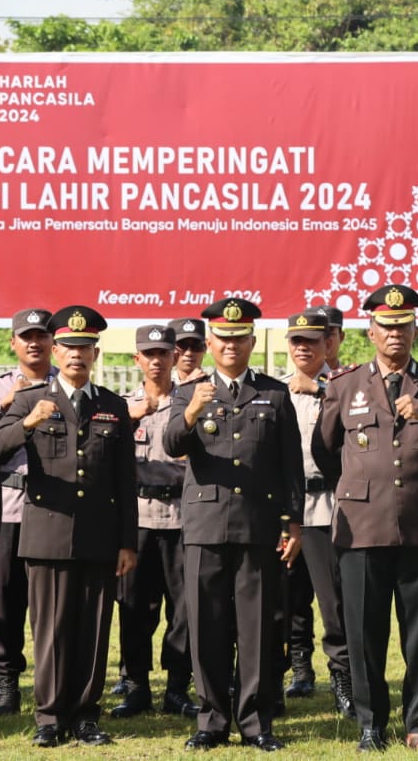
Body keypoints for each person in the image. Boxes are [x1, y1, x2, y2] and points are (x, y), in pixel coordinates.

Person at [315, 284, 418, 751]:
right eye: (386, 326)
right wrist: (359, 487)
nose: (395, 335)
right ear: (371, 331)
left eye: (403, 326)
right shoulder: (345, 385)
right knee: (364, 633)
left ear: (414, 330)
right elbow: (325, 451)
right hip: (362, 526)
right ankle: (370, 722)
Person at [0, 305, 138, 748]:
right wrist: (25, 425)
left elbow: (125, 481)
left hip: (98, 534)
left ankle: (86, 714)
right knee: (50, 631)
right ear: (56, 348)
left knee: (92, 628)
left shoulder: (111, 405)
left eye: (84, 346)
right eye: (67, 346)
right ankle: (49, 717)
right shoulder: (31, 399)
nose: (75, 354)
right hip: (47, 531)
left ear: (95, 351)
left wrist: (127, 542)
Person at [166, 297, 304, 752]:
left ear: (251, 341)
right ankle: (211, 720)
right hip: (205, 523)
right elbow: (171, 444)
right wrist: (191, 412)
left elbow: (290, 466)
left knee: (257, 627)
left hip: (259, 525)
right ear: (210, 342)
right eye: (222, 339)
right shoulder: (189, 391)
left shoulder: (274, 393)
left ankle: (255, 721)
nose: (231, 345)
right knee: (206, 626)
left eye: (239, 338)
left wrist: (294, 523)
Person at [111, 324, 199, 720]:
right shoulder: (121, 406)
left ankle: (178, 687)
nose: (157, 360)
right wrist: (128, 421)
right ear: (137, 360)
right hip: (139, 519)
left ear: (175, 356)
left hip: (183, 518)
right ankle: (136, 686)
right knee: (134, 607)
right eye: (149, 353)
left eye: (164, 352)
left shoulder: (191, 404)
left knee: (183, 610)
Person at [281, 308, 356, 718]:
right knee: (286, 602)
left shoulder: (346, 385)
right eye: (297, 341)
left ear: (328, 342)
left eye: (312, 340)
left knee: (334, 603)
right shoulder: (277, 389)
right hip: (288, 508)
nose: (303, 348)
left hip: (331, 506)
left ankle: (342, 678)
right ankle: (297, 671)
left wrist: (322, 389)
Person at [0, 308, 56, 716]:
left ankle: (52, 685)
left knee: (52, 606)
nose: (34, 342)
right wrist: (7, 409)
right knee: (5, 605)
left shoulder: (69, 385)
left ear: (53, 342)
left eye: (42, 335)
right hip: (9, 509)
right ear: (12, 343)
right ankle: (6, 685)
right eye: (26, 336)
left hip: (55, 512)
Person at [168, 318, 207, 383]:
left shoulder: (217, 385)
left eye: (196, 346)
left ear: (205, 348)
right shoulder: (162, 386)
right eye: (182, 345)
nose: (189, 353)